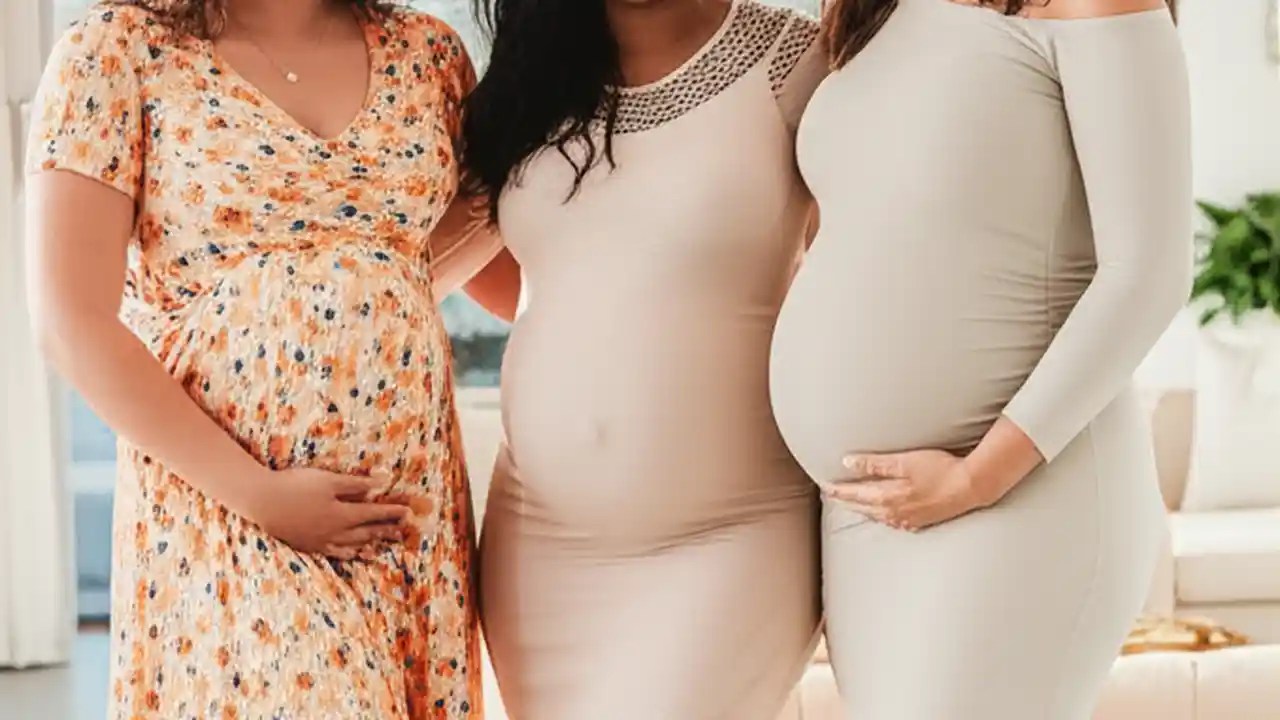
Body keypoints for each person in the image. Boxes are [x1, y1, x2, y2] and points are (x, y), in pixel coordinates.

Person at [24, 0, 491, 716]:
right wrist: (260, 496)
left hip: (403, 530)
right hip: (225, 514)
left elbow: (432, 262)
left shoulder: (427, 53)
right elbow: (70, 322)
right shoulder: (115, 51)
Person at [768, 0, 1191, 717]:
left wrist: (975, 478)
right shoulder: (876, 9)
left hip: (1016, 493)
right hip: (872, 512)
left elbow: (1148, 272)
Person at [459, 0, 828, 717]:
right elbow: (463, 260)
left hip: (731, 537)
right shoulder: (526, 80)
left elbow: (871, 256)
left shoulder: (794, 60)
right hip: (540, 548)